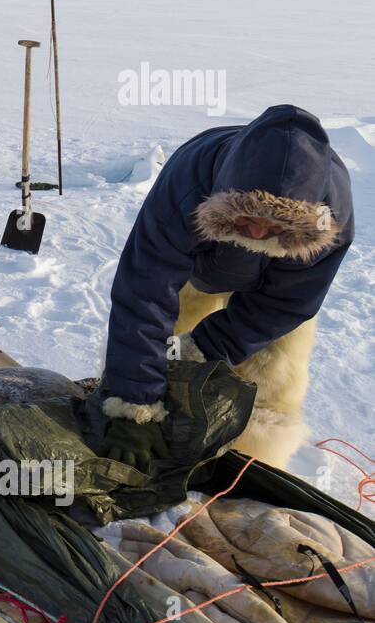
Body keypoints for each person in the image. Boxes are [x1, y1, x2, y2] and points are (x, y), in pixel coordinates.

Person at [98, 104, 353, 470]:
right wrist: (132, 405)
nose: (255, 233)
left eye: (273, 225)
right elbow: (145, 293)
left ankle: (249, 467)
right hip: (197, 272)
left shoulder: (329, 217)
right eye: (247, 217)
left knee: (275, 379)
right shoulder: (187, 184)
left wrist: (205, 347)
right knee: (160, 355)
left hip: (273, 285)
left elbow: (286, 304)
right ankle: (149, 424)